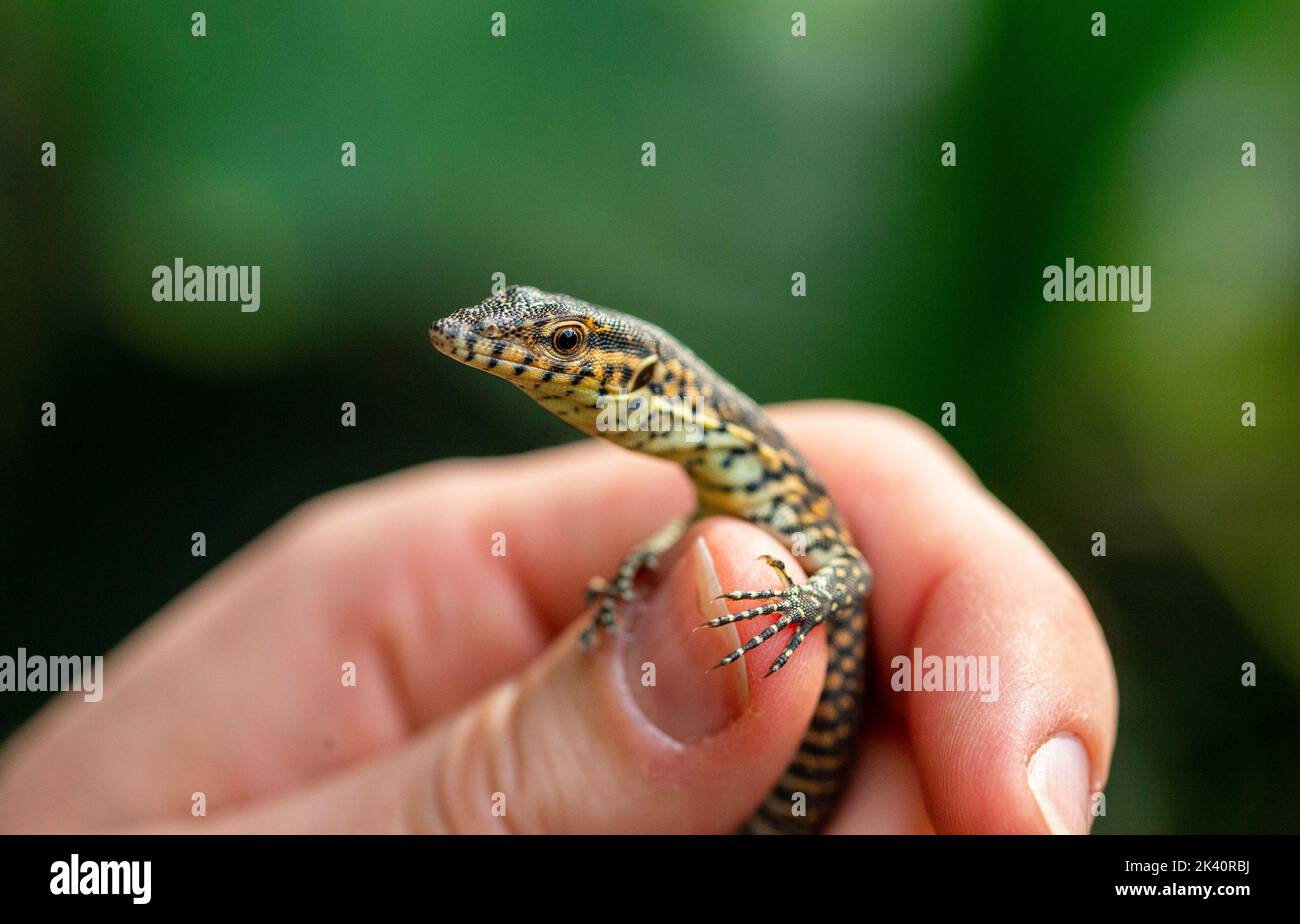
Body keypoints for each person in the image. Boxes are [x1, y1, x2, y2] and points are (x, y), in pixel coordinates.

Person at [0, 403, 1117, 834]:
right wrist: (644, 575)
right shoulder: (728, 489)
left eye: (568, 358)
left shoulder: (769, 479)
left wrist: (793, 604)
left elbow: (851, 580)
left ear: (649, 391)